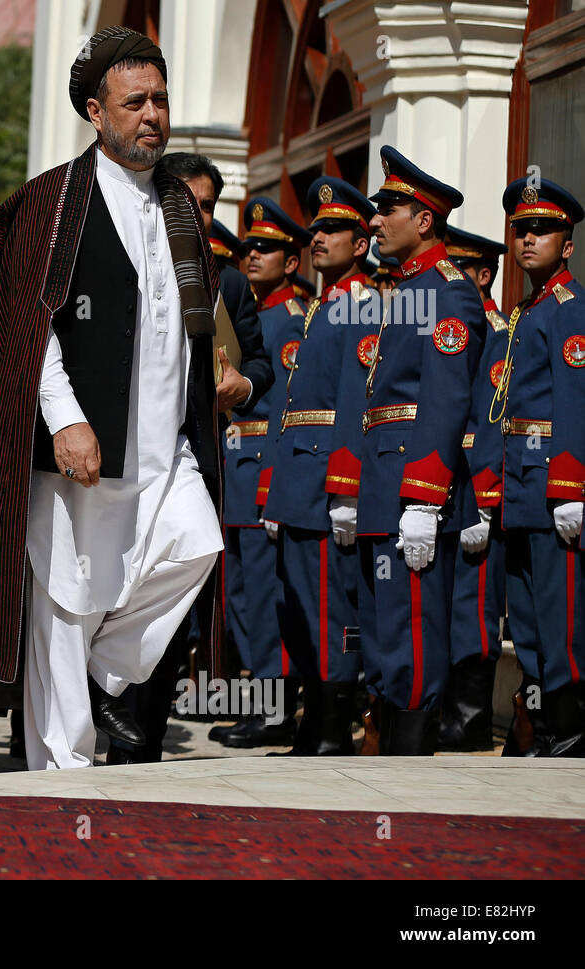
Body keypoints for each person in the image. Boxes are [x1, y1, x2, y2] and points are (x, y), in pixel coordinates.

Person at [0, 26, 224, 770]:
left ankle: (110, 662)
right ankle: (60, 769)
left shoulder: (180, 207)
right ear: (96, 113)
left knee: (198, 545)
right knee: (65, 603)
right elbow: (31, 323)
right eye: (135, 102)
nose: (153, 114)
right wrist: (65, 419)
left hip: (166, 446)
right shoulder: (51, 201)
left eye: (161, 99)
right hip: (82, 448)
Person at [108, 150, 273, 765]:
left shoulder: (227, 280)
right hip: (118, 463)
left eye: (208, 207)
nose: (201, 217)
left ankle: (141, 743)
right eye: (191, 204)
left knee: (176, 604)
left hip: (190, 461)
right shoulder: (124, 260)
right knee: (116, 596)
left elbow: (258, 361)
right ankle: (101, 712)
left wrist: (243, 387)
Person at [324, 146, 484, 754]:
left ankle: (411, 759)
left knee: (412, 632)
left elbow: (444, 405)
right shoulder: (405, 292)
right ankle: (390, 753)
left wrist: (423, 499)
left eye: (390, 207)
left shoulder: (448, 293)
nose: (375, 220)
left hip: (414, 494)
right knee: (384, 628)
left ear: (424, 221)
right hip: (381, 488)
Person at [260, 176, 375, 755]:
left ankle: (333, 725)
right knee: (299, 607)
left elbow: (355, 403)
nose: (319, 237)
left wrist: (346, 489)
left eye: (333, 229)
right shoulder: (324, 305)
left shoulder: (363, 305)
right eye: (317, 229)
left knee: (334, 611)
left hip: (329, 483)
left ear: (360, 243)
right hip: (299, 483)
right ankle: (314, 722)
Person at [476, 178, 585, 756]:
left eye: (542, 230)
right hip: (520, 484)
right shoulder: (526, 312)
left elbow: (574, 399)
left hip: (551, 487)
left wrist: (570, 487)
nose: (527, 240)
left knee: (559, 616)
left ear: (567, 245)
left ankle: (567, 725)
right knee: (529, 618)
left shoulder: (569, 310)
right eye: (521, 230)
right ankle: (544, 723)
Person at [210, 197, 310, 748]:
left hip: (263, 473)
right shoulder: (253, 315)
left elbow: (291, 410)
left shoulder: (289, 322)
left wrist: (274, 482)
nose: (253, 256)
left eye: (267, 248)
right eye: (250, 247)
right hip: (237, 470)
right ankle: (258, 703)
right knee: (243, 597)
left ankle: (275, 709)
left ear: (291, 262)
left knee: (267, 600)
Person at [441, 225, 510, 751]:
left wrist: (486, 498)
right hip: (440, 483)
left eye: (462, 267)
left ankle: (470, 719)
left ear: (485, 275)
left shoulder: (495, 331)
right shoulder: (446, 323)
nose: (453, 276)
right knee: (440, 606)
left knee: (472, 611)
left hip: (475, 490)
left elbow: (494, 419)